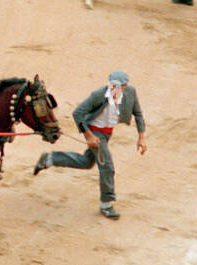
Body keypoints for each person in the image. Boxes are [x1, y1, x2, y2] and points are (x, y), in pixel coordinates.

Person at [34, 71, 147, 219]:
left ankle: (50, 159)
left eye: (118, 87)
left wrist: (141, 137)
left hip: (107, 133)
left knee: (87, 162)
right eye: (112, 85)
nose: (114, 89)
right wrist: (89, 136)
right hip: (95, 132)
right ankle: (106, 204)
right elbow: (78, 113)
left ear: (125, 86)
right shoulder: (99, 94)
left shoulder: (131, 93)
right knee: (107, 166)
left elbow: (138, 114)